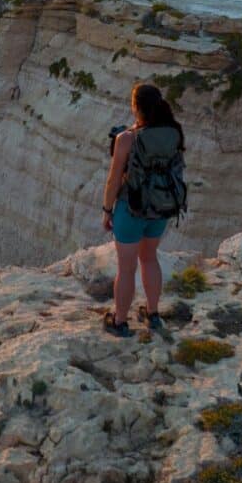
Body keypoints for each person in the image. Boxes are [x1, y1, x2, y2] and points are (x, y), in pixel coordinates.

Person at [101, 82, 187, 336]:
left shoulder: (126, 138)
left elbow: (114, 178)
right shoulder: (174, 133)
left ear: (135, 106)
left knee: (126, 269)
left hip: (131, 209)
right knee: (149, 258)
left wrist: (107, 210)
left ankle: (119, 322)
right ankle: (152, 314)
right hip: (160, 208)